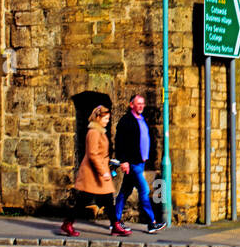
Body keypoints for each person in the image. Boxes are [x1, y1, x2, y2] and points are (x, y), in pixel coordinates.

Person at [59, 105, 117, 237]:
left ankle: (116, 225)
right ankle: (67, 224)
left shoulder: (99, 131)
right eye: (105, 118)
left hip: (98, 171)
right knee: (83, 201)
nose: (107, 121)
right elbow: (92, 154)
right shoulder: (94, 132)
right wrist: (103, 171)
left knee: (108, 199)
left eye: (108, 118)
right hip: (93, 173)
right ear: (98, 117)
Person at [113, 94, 165, 234]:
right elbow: (119, 142)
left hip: (139, 162)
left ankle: (115, 221)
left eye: (143, 103)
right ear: (131, 105)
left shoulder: (142, 119)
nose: (141, 106)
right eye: (138, 103)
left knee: (124, 192)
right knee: (144, 190)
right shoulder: (126, 121)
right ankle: (151, 222)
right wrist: (123, 161)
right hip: (132, 163)